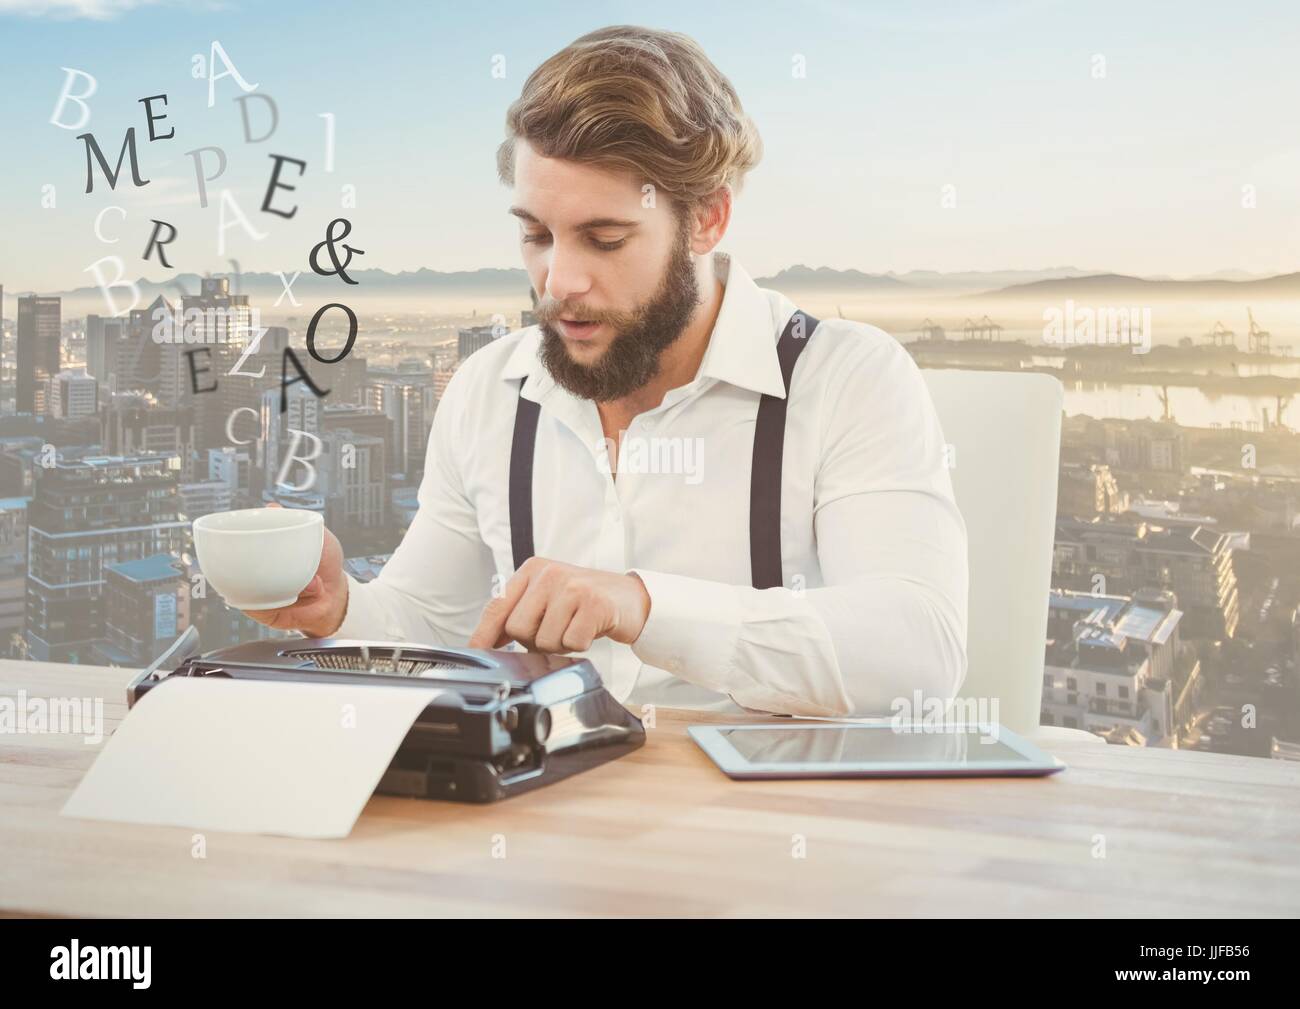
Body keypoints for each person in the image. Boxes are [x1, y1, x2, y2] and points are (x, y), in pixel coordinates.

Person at [245, 24, 968, 718]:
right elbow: (433, 624)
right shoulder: (486, 391)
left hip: (766, 824)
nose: (558, 281)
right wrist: (343, 606)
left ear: (708, 218)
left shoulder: (848, 378)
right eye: (536, 235)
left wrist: (645, 605)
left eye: (606, 239)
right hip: (550, 809)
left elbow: (918, 651)